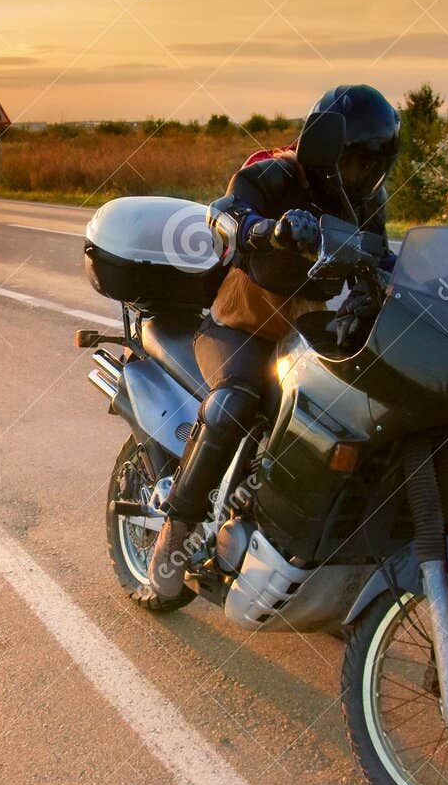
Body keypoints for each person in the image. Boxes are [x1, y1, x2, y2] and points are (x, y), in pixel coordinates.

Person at [145, 84, 401, 603]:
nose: (361, 177)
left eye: (371, 166)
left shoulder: (365, 203)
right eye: (354, 162)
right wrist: (269, 230)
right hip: (237, 329)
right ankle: (174, 535)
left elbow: (386, 257)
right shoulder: (275, 175)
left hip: (302, 340)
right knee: (236, 401)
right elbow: (223, 211)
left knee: (343, 424)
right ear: (329, 150)